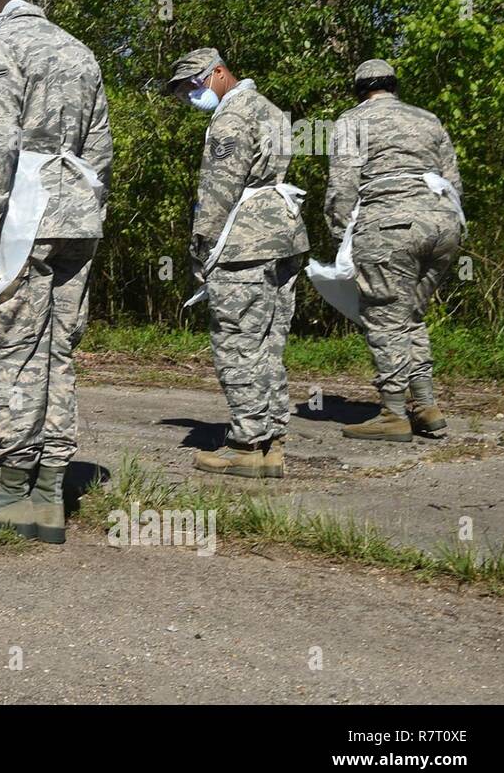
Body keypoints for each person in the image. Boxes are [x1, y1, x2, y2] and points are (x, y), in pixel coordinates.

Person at [0, 0, 113, 544]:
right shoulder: (79, 50)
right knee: (59, 348)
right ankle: (50, 493)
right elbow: (101, 148)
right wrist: (86, 210)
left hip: (22, 215)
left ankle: (12, 491)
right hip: (79, 214)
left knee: (10, 345)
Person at [165, 48, 308, 478]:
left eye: (194, 84)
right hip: (284, 237)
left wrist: (200, 246)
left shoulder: (230, 117)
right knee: (270, 343)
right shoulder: (271, 111)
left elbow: (218, 188)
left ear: (219, 73)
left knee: (236, 342)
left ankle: (247, 444)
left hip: (244, 241)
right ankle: (272, 440)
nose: (192, 95)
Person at [325, 59, 464, 441]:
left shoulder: (351, 122)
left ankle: (393, 413)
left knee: (385, 316)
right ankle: (426, 405)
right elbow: (452, 180)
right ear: (393, 85)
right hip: (443, 224)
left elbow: (342, 186)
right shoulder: (429, 119)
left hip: (389, 225)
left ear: (359, 90)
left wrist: (343, 235)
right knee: (410, 315)